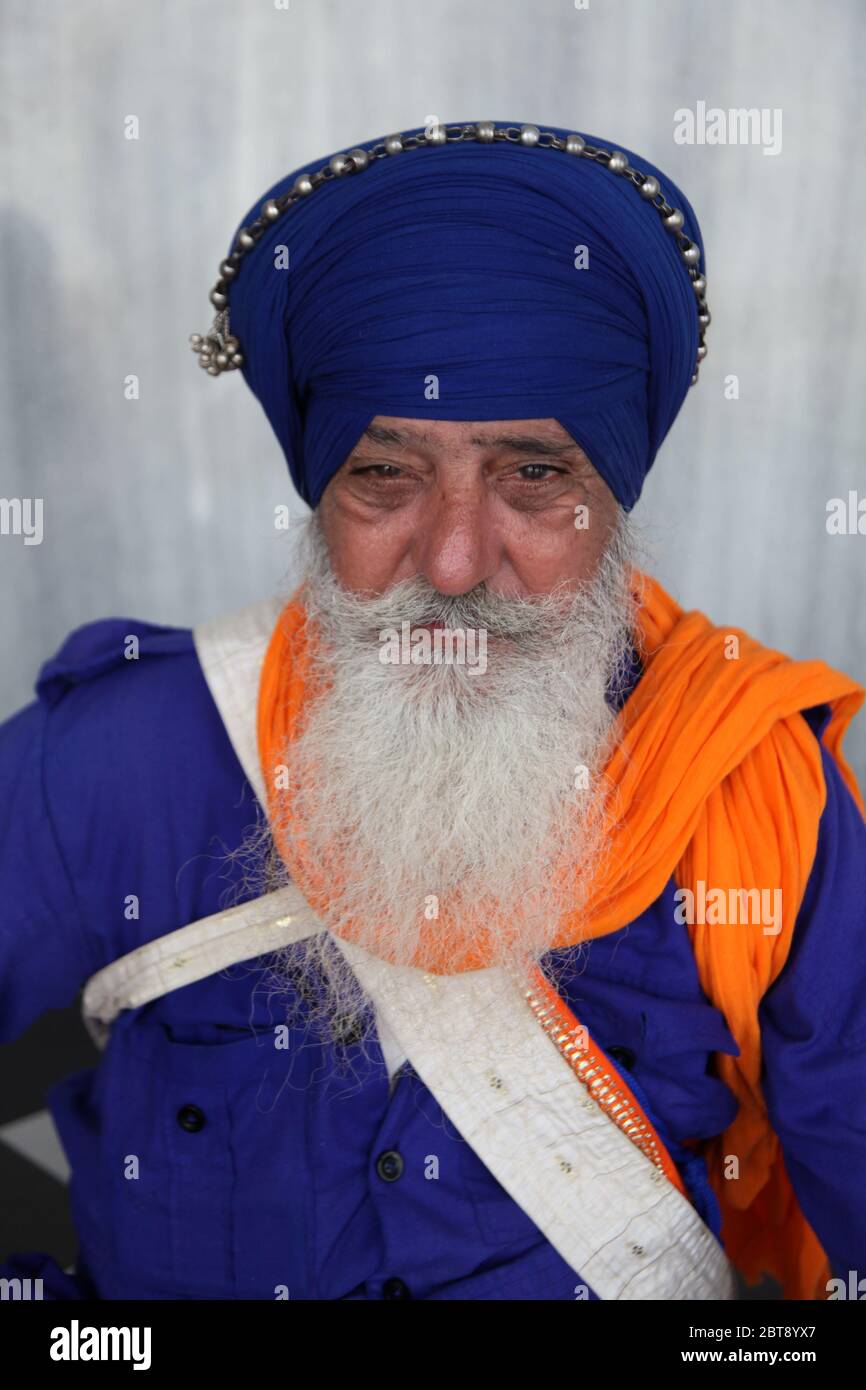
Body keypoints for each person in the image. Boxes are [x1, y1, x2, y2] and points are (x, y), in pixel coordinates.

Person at [1, 120, 864, 1302]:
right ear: (317, 491)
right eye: (383, 475)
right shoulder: (122, 760)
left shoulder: (754, 796)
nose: (453, 562)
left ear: (612, 496)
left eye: (534, 475)